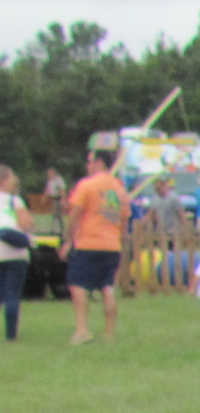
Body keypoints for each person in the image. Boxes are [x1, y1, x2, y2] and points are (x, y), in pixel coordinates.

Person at [64, 148, 130, 345]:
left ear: (99, 163)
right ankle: (109, 333)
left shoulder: (87, 185)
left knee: (78, 284)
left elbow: (74, 214)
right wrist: (120, 240)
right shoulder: (119, 189)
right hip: (112, 244)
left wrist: (68, 240)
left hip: (89, 242)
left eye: (90, 161)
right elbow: (124, 220)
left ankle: (82, 329)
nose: (88, 165)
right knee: (107, 286)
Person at [0, 166, 30, 342]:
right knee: (12, 294)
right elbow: (26, 224)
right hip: (15, 252)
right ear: (3, 181)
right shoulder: (14, 200)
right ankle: (11, 335)